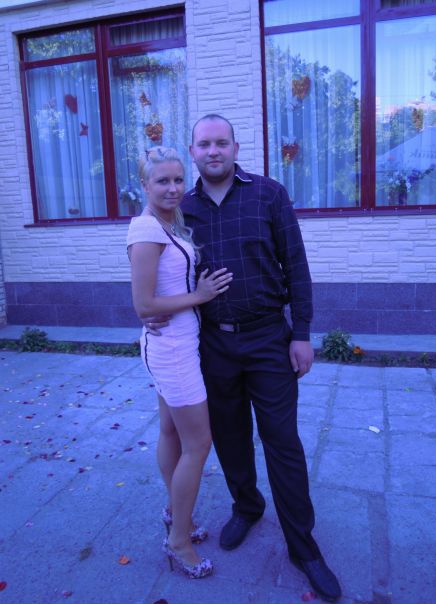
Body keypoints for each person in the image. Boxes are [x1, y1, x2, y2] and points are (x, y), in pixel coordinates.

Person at [144, 116, 341, 601]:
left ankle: (303, 546)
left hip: (269, 340)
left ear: (235, 147)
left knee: (282, 442)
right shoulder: (181, 207)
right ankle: (246, 506)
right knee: (230, 437)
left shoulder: (268, 194)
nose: (213, 151)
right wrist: (151, 309)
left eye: (221, 142)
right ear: (193, 151)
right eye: (204, 144)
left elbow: (296, 265)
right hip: (212, 344)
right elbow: (154, 263)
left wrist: (302, 333)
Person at [126, 146, 232, 579]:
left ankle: (176, 512)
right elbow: (144, 305)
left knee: (171, 432)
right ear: (144, 185)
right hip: (171, 351)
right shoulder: (146, 229)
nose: (172, 188)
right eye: (162, 181)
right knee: (198, 443)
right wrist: (200, 296)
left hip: (177, 345)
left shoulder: (170, 222)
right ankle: (178, 542)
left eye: (177, 179)